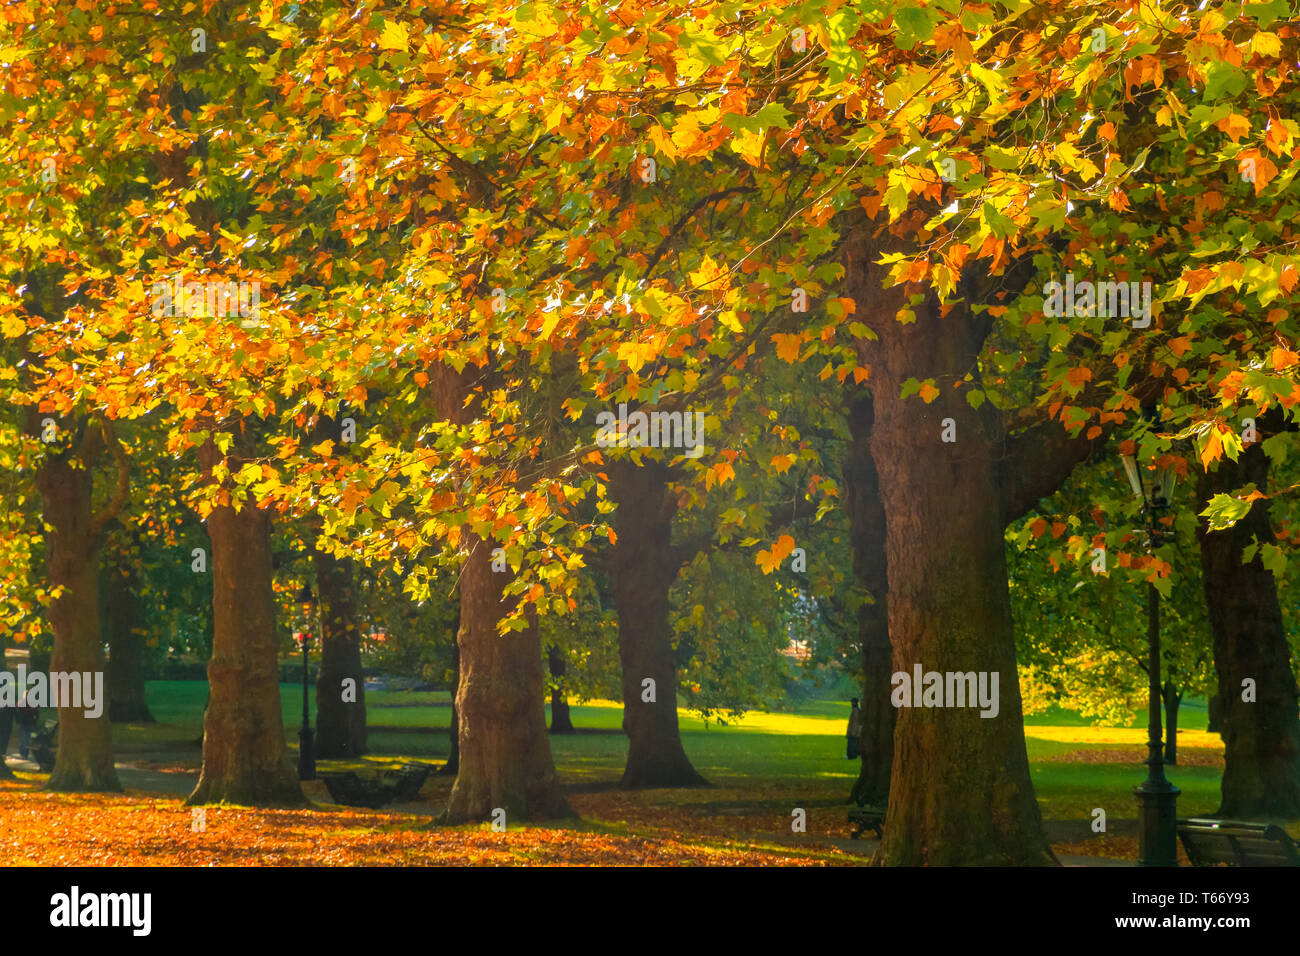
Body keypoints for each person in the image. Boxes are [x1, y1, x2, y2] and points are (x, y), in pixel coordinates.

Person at [15, 690, 39, 759]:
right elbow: (36, 713)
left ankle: (23, 753)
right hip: (30, 722)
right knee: (27, 739)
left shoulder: (21, 703)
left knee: (24, 738)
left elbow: (18, 712)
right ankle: (24, 753)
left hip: (25, 723)